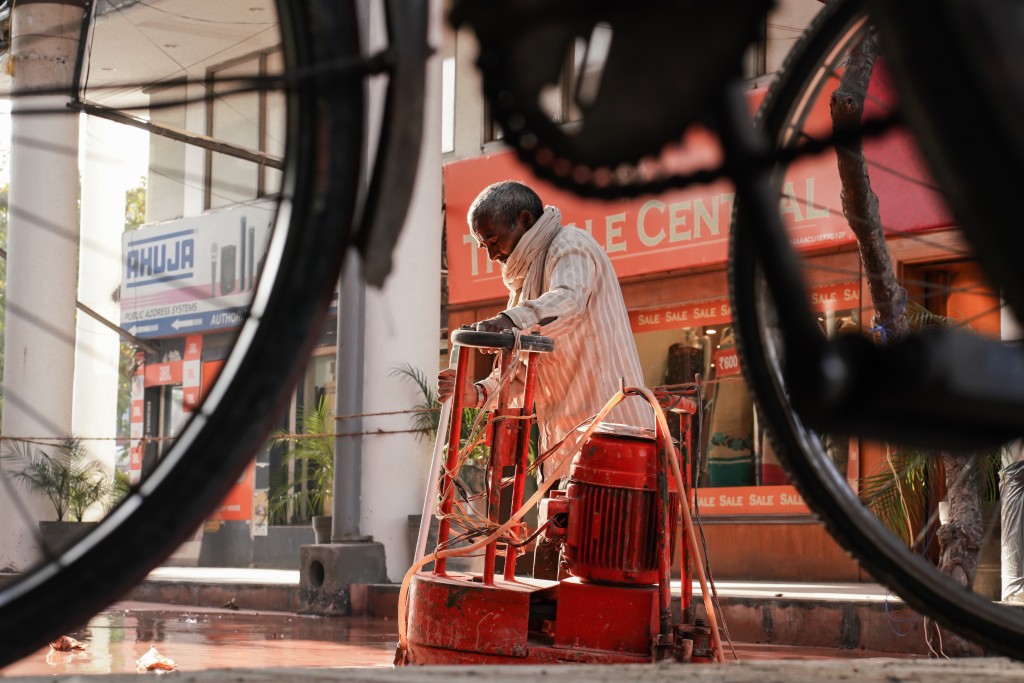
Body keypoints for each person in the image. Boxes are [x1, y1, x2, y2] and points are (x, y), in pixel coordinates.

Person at [437, 180, 652, 465]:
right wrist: (476, 394)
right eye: (483, 246)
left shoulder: (570, 243)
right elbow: (522, 375)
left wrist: (507, 322)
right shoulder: (525, 286)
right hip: (564, 451)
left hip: (616, 440)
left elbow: (568, 302)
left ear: (524, 220)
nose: (492, 255)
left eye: (493, 240)